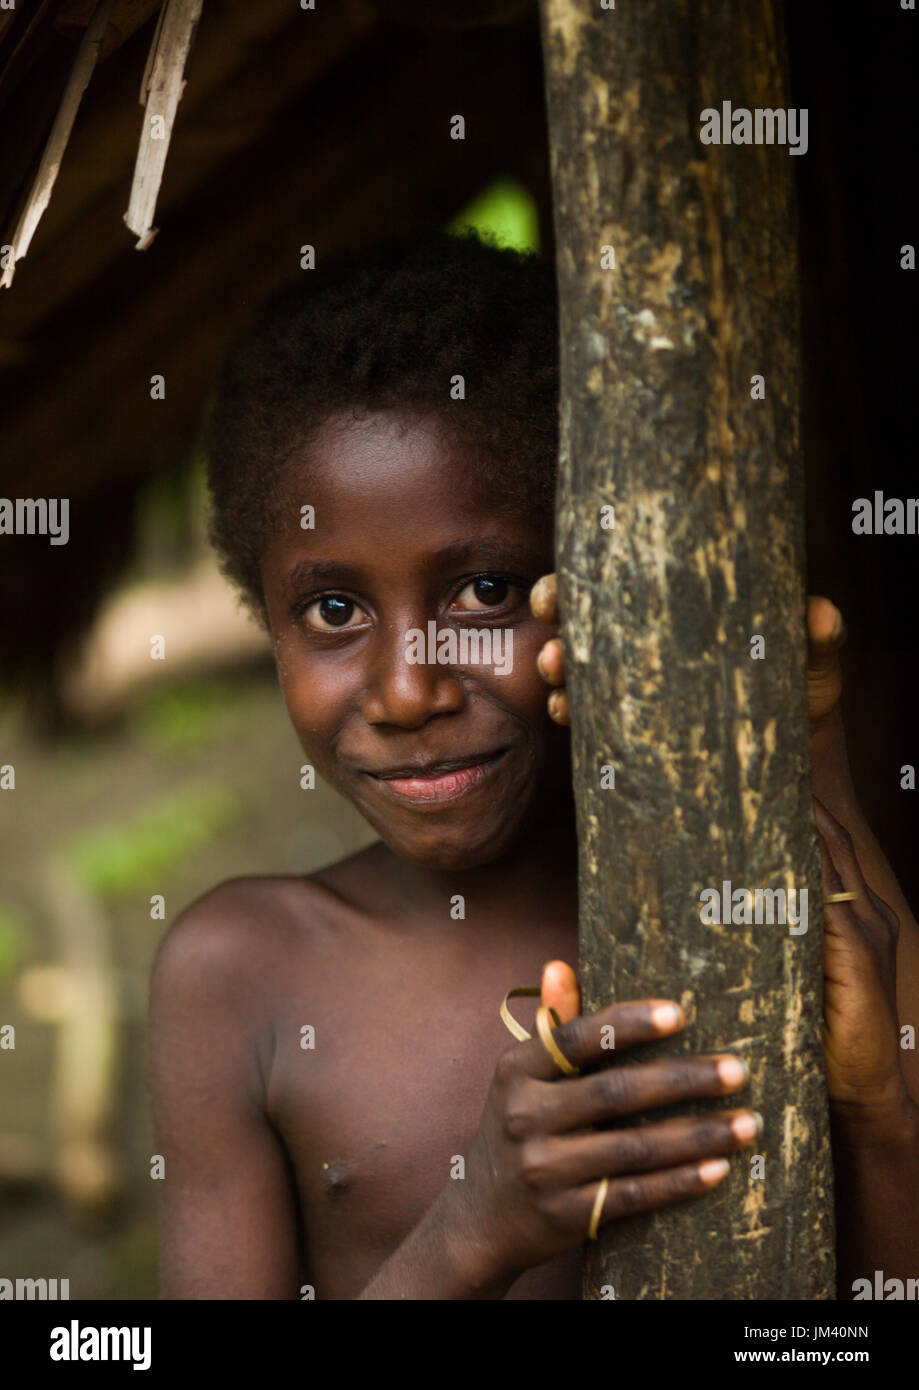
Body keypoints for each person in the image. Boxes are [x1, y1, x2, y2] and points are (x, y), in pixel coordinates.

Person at [148, 230, 919, 1299]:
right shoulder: (237, 971)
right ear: (261, 616)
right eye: (334, 609)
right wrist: (468, 1233)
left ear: (589, 582)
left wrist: (880, 1115)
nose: (408, 690)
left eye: (485, 592)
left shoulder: (751, 900)